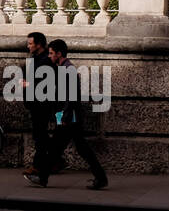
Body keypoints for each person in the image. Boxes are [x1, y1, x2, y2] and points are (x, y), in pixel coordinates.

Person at [24, 40, 108, 189]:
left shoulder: (67, 70)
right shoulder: (63, 68)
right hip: (68, 117)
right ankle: (100, 178)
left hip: (68, 118)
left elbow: (70, 98)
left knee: (60, 148)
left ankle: (43, 177)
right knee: (69, 148)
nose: (49, 56)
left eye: (51, 53)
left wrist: (64, 117)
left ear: (59, 54)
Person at [23, 32, 55, 176]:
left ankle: (37, 166)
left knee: (40, 136)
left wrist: (26, 84)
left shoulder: (46, 60)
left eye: (30, 43)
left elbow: (43, 83)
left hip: (42, 104)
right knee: (41, 135)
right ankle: (56, 160)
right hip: (34, 103)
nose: (28, 46)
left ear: (39, 45)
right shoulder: (35, 58)